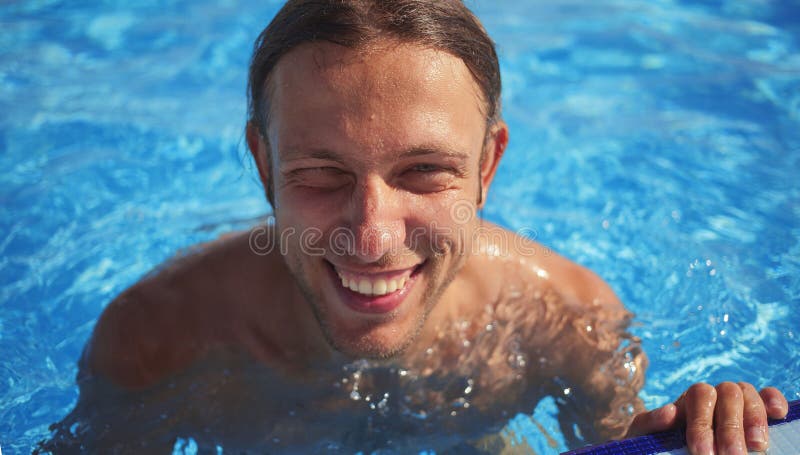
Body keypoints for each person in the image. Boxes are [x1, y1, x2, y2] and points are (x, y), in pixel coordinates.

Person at [42, 1, 788, 454]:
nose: (372, 236)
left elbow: (617, 444)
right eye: (321, 173)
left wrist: (689, 431)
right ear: (263, 165)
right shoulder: (157, 340)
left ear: (487, 166)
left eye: (424, 170)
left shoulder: (565, 321)